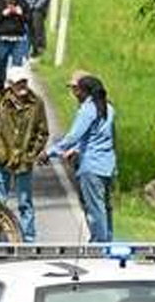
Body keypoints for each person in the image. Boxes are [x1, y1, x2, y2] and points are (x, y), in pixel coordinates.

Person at [40, 73, 116, 243]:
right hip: (107, 165)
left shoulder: (88, 110)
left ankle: (99, 243)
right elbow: (98, 137)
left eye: (78, 90)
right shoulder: (109, 108)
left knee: (94, 208)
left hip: (91, 166)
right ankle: (108, 240)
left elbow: (73, 137)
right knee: (105, 206)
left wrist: (49, 152)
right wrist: (75, 150)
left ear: (86, 92)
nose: (76, 94)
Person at [0, 65, 49, 242]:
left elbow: (42, 132)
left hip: (23, 162)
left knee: (25, 203)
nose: (22, 86)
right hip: (1, 158)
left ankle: (28, 238)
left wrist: (31, 154)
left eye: (24, 82)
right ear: (10, 84)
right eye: (19, 83)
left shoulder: (37, 103)